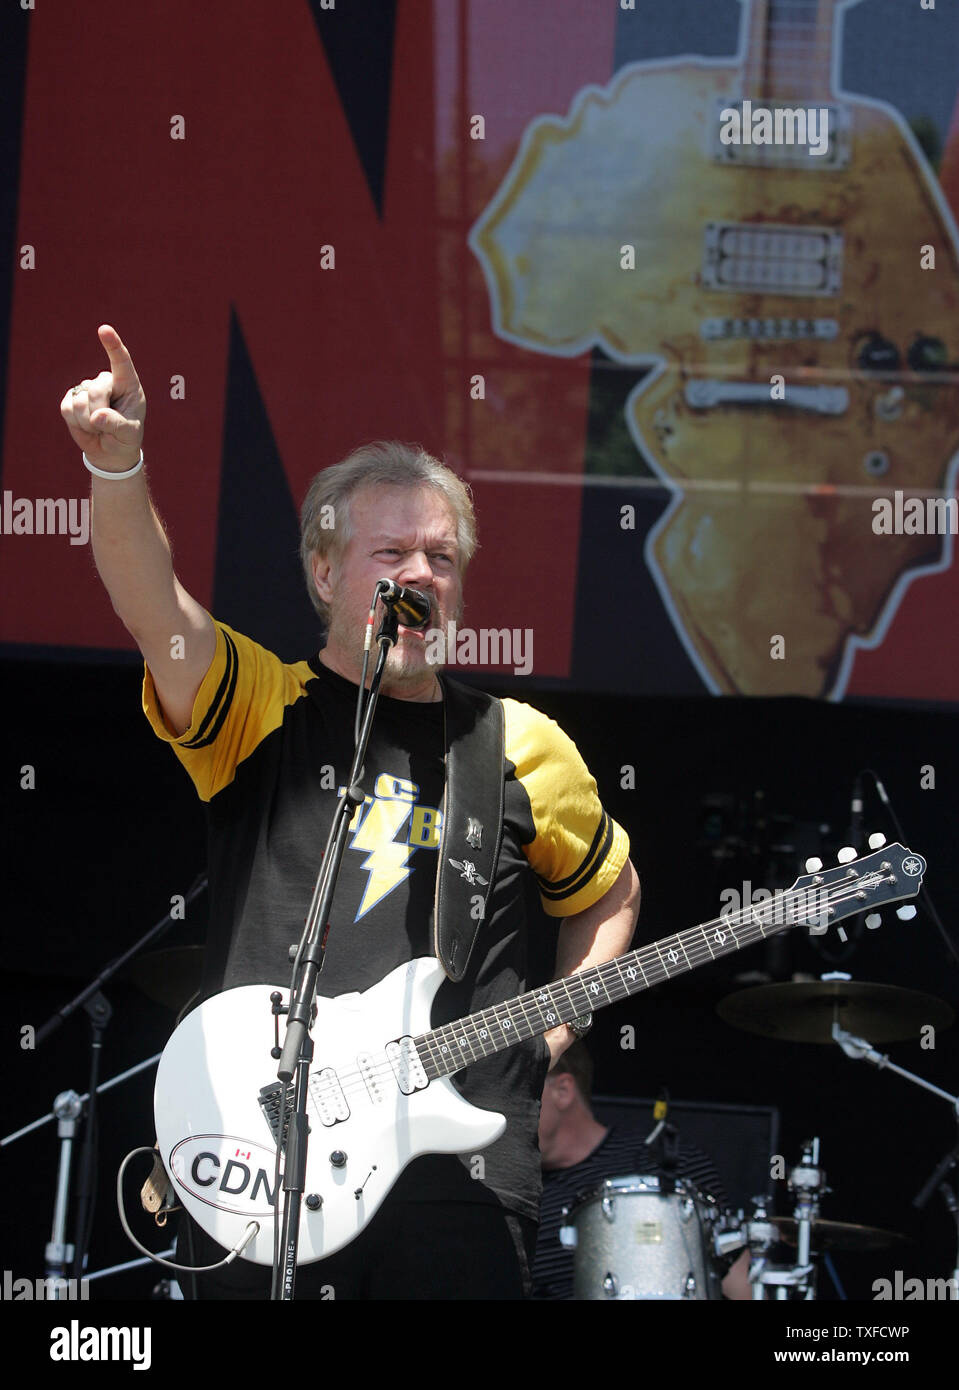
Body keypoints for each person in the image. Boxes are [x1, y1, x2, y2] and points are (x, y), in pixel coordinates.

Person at [60, 324, 640, 1300]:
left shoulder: (520, 745)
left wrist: (551, 1030)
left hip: (453, 1178)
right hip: (261, 1155)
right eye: (391, 553)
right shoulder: (260, 706)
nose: (420, 575)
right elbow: (149, 600)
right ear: (326, 574)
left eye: (441, 558)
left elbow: (610, 889)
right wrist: (120, 470)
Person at [533, 1042, 752, 1299]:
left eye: (514, 1094)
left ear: (563, 1090)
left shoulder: (665, 1160)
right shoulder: (508, 1191)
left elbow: (742, 1286)